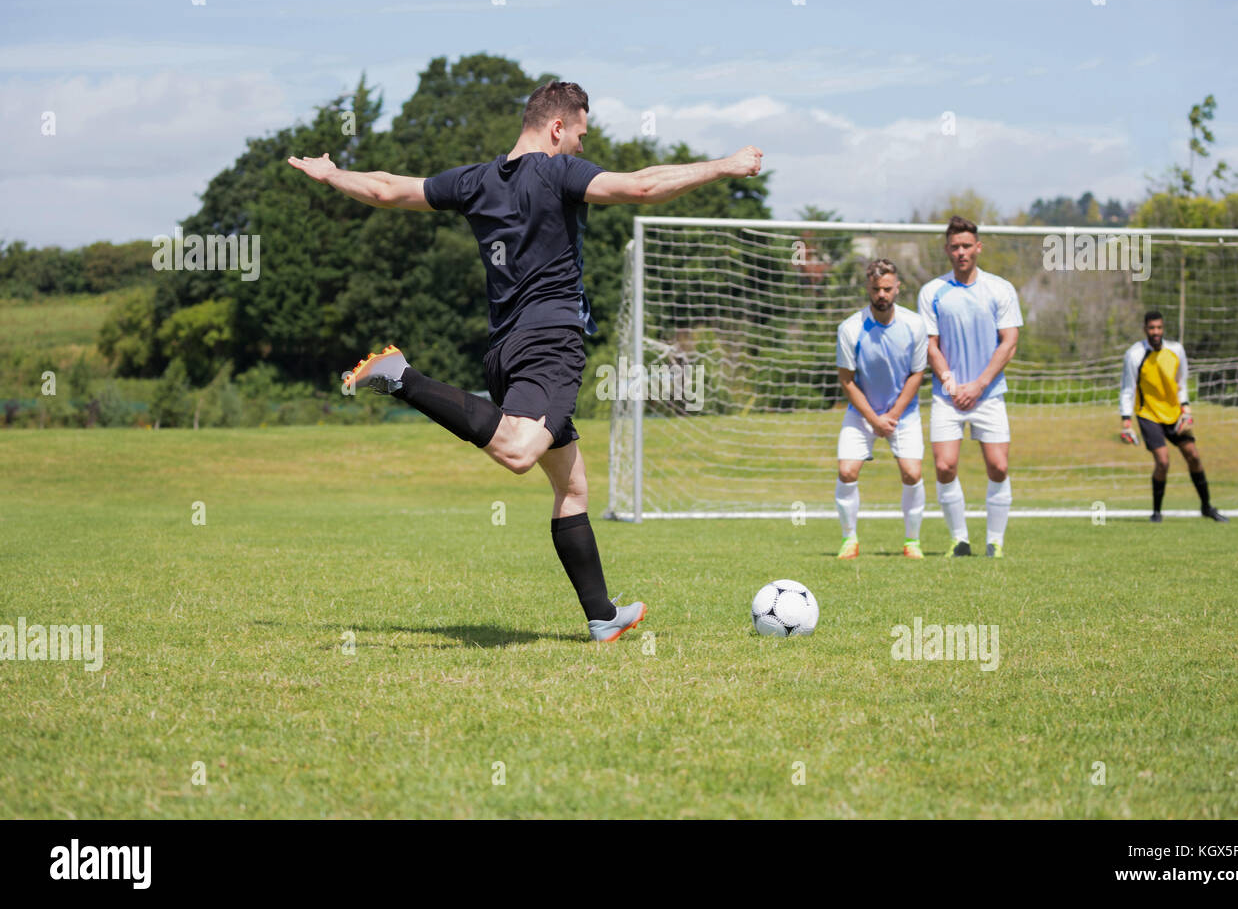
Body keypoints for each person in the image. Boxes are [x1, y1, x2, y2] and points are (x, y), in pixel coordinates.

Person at [288, 80, 764, 640]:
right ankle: (400, 376)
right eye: (580, 134)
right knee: (518, 450)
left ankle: (602, 616)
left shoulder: (474, 180)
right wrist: (725, 165)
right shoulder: (556, 171)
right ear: (557, 127)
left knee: (573, 487)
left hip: (505, 351)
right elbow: (639, 187)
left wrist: (333, 174)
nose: (582, 148)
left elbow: (390, 189)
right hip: (550, 345)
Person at [916, 216, 1022, 558]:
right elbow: (931, 344)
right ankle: (959, 540)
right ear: (947, 250)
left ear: (978, 247)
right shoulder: (932, 291)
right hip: (948, 395)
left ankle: (995, 541)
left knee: (999, 466)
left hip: (987, 392)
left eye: (967, 246)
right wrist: (950, 381)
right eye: (955, 247)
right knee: (945, 466)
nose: (961, 252)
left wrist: (978, 385)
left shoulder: (1000, 288)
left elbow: (1009, 342)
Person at [833, 259, 929, 560]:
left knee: (912, 474)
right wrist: (873, 419)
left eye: (887, 288)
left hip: (904, 413)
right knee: (846, 471)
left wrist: (893, 416)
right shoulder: (850, 328)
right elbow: (847, 381)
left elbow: (917, 374)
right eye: (876, 289)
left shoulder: (915, 325)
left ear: (897, 287)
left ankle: (911, 542)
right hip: (862, 414)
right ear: (868, 289)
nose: (882, 295)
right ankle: (850, 540)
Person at [1119, 310, 1228, 522]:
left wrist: (1186, 410)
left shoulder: (1176, 350)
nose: (1156, 332)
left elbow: (1182, 384)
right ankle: (1157, 512)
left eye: (1159, 328)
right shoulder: (1134, 355)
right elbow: (1127, 389)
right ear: (1145, 330)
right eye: (1151, 328)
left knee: (1194, 456)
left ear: (1163, 328)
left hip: (1174, 414)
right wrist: (1126, 421)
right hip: (1148, 414)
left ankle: (1207, 507)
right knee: (1163, 461)